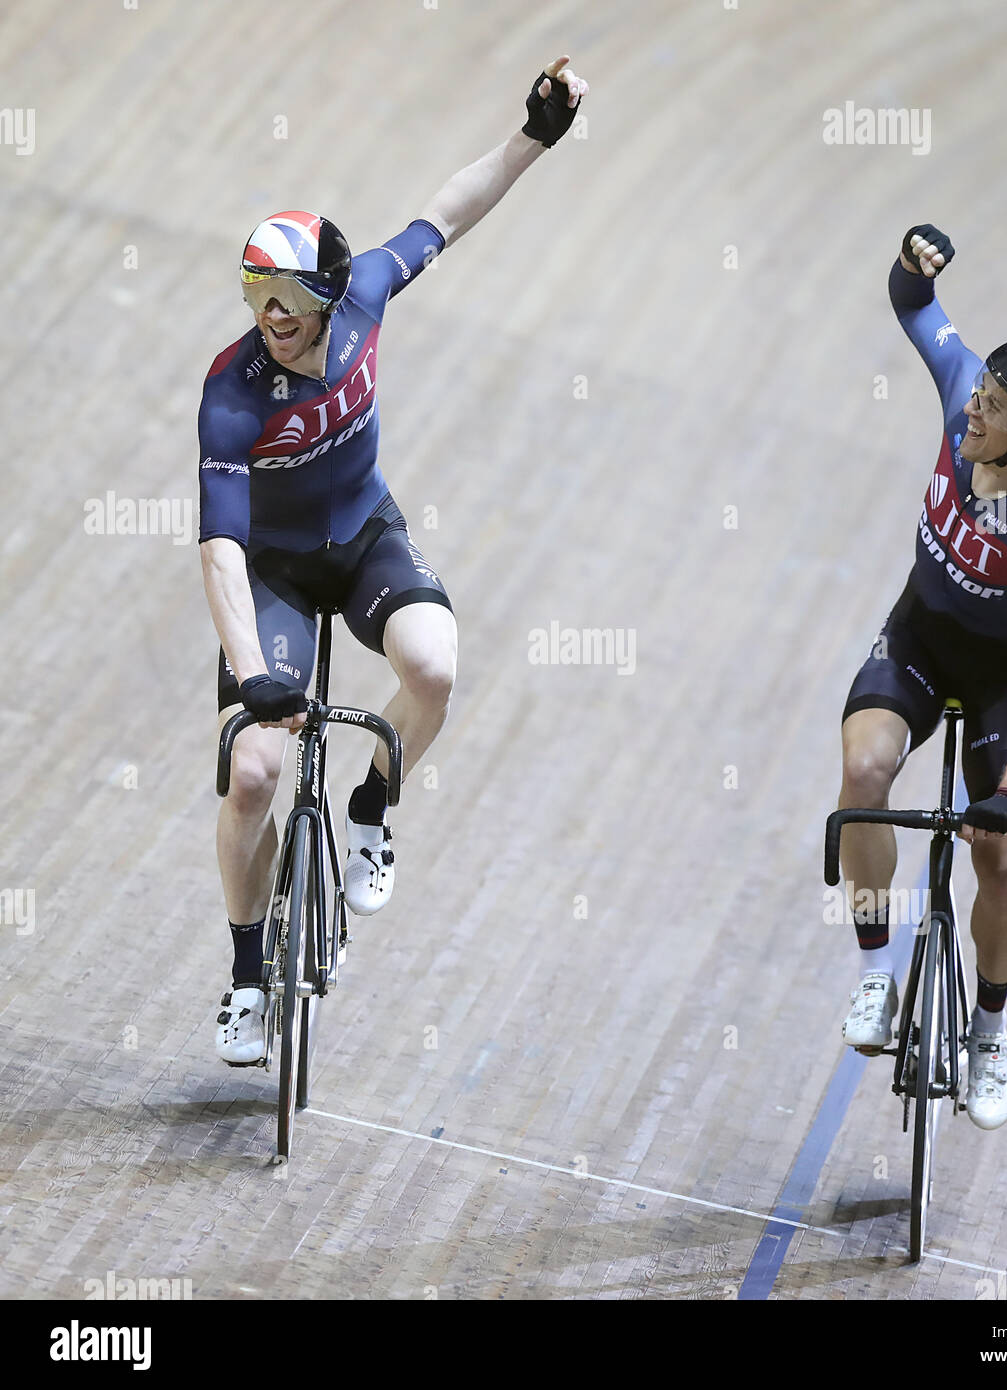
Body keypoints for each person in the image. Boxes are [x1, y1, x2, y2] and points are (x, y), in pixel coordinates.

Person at [199, 57, 589, 1065]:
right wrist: (249, 670)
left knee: (434, 668)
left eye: (284, 295)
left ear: (329, 292)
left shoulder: (370, 290)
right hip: (277, 574)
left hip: (365, 533)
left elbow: (447, 213)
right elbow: (222, 548)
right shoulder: (234, 394)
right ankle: (247, 972)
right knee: (252, 773)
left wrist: (534, 138)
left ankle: (375, 799)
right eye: (254, 293)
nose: (267, 316)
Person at [837, 224, 1007, 1129]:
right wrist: (913, 266)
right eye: (980, 392)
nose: (972, 410)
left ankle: (988, 1032)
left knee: (1000, 859)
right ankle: (876, 973)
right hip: (917, 639)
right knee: (866, 774)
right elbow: (918, 311)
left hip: (1002, 681)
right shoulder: (962, 397)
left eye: (993, 408)